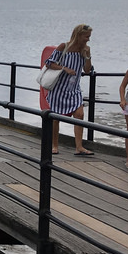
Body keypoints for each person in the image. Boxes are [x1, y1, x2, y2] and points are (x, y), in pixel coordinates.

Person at [43, 23, 94, 155]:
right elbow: (49, 63)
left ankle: (79, 146)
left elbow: (87, 70)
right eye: (86, 36)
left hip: (74, 88)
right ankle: (54, 145)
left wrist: (88, 55)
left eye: (89, 36)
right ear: (78, 35)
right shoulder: (64, 47)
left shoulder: (85, 50)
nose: (88, 39)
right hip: (59, 88)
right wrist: (64, 68)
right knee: (56, 117)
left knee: (80, 115)